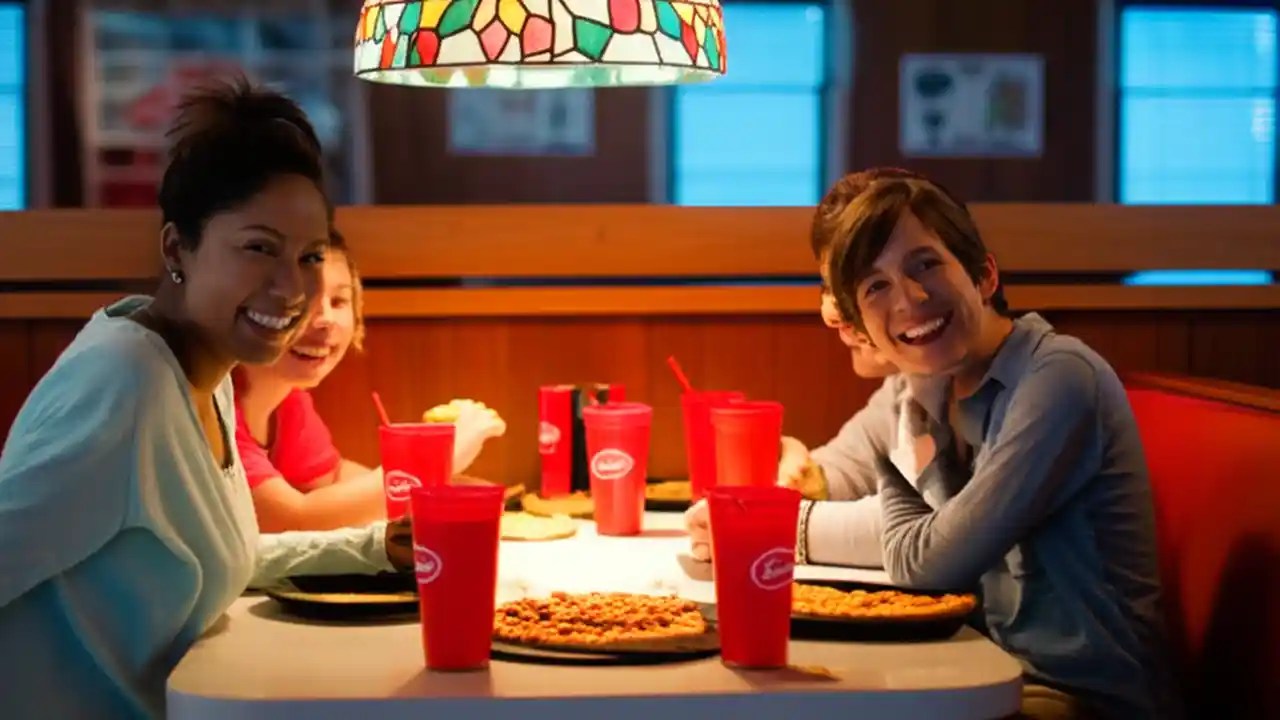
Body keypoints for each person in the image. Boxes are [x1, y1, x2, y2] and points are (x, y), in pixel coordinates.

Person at [693, 171, 1178, 719]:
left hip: (1082, 698)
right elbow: (842, 469)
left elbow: (930, 561)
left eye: (925, 265)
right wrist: (787, 480)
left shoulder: (1056, 378)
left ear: (984, 274)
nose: (912, 299)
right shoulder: (930, 378)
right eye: (875, 287)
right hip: (979, 671)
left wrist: (780, 528)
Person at [0, 78, 411, 719]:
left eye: (309, 256)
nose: (292, 287)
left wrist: (373, 548)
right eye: (258, 248)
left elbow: (219, 552)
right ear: (176, 249)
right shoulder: (125, 381)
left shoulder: (206, 369)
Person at [233, 233, 506, 532]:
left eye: (339, 301)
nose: (325, 319)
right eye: (306, 299)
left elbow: (331, 479)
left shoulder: (288, 400)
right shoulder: (214, 407)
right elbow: (293, 517)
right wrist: (437, 460)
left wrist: (440, 488)